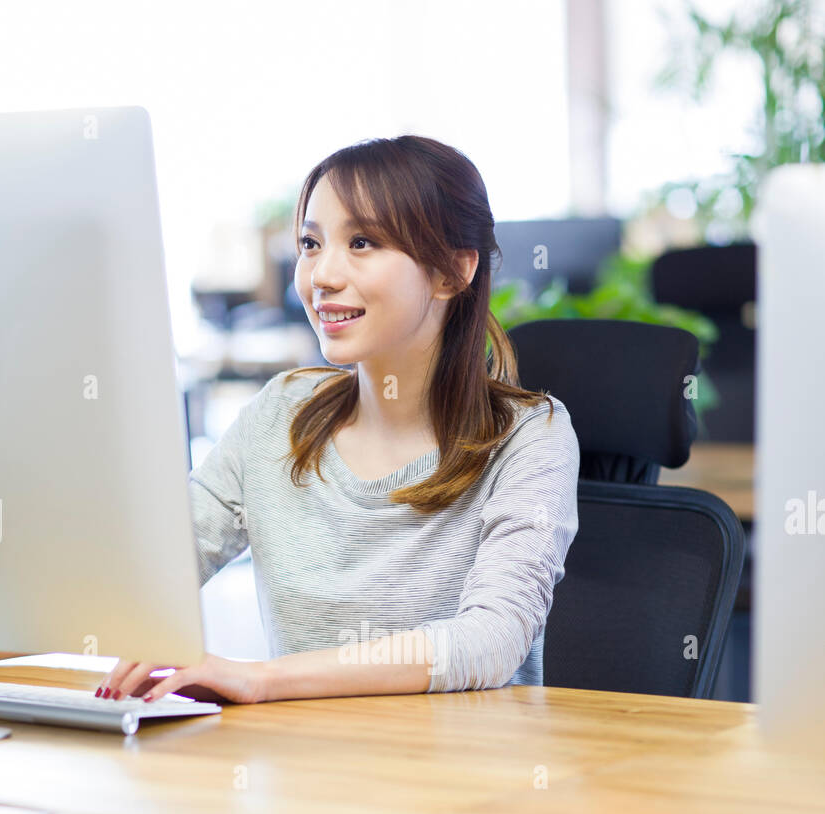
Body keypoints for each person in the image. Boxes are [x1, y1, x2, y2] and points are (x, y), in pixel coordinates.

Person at [96, 135, 579, 705]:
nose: (321, 274)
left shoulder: (529, 437)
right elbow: (154, 569)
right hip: (306, 775)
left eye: (362, 242)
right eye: (310, 243)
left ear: (453, 270)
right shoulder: (281, 415)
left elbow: (492, 641)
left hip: (459, 780)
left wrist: (259, 679)